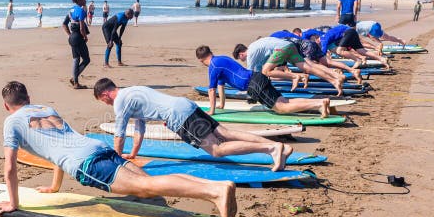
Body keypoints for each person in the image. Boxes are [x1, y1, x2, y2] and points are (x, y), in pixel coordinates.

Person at [0, 81, 239, 217]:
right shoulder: (46, 109)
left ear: (7, 106)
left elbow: (10, 168)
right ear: (28, 99)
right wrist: (54, 186)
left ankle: (215, 192)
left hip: (86, 164)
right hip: (98, 148)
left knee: (146, 187)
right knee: (148, 185)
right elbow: (57, 151)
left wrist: (13, 204)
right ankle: (216, 185)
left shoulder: (11, 122)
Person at [93, 79, 292, 172]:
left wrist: (116, 159)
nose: (107, 104)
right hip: (186, 105)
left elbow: (119, 134)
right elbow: (139, 128)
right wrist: (134, 153)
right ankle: (279, 149)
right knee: (226, 133)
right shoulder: (133, 91)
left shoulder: (120, 101)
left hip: (179, 117)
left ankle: (271, 148)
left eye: (104, 101)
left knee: (216, 149)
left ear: (105, 94)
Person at [195, 46, 330, 118]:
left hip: (254, 84)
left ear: (201, 60)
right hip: (257, 77)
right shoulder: (221, 59)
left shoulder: (214, 66)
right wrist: (221, 105)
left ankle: (318, 104)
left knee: (281, 108)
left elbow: (211, 90)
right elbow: (220, 86)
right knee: (284, 101)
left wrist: (211, 111)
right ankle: (321, 102)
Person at [233, 37, 346, 95]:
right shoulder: (256, 48)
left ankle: (295, 77)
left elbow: (250, 74)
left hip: (282, 49)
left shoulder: (251, 54)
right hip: (289, 45)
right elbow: (258, 71)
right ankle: (334, 80)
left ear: (241, 54)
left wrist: (247, 90)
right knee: (307, 68)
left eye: (240, 58)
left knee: (266, 71)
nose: (243, 60)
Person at [297, 28, 364, 84]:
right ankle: (352, 70)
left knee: (311, 65)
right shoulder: (304, 34)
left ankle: (336, 74)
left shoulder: (303, 35)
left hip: (319, 42)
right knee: (328, 61)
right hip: (321, 42)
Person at [319, 24, 391, 70]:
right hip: (351, 31)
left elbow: (323, 54)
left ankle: (357, 61)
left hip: (348, 32)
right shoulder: (325, 36)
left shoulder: (323, 39)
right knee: (362, 51)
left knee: (339, 51)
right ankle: (382, 59)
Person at [62, 0, 90, 89]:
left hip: (72, 38)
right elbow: (82, 28)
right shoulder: (81, 11)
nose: (85, 0)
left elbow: (64, 24)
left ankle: (76, 82)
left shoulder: (71, 10)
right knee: (86, 59)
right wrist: (85, 37)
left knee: (76, 59)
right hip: (78, 38)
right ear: (79, 0)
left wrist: (69, 35)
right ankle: (74, 80)